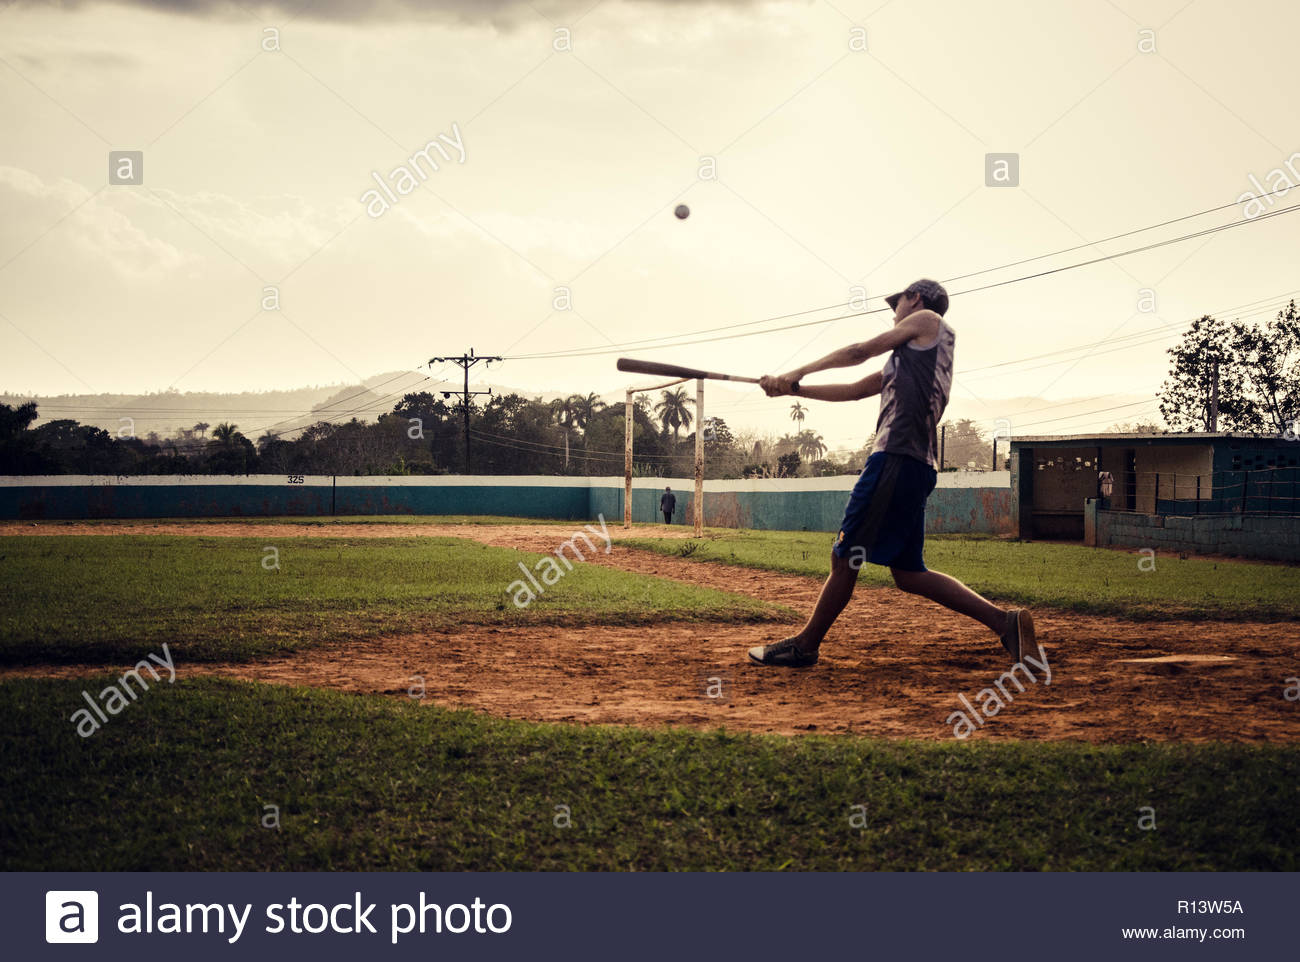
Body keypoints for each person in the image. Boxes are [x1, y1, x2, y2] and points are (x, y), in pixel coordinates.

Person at [747, 279, 1036, 668]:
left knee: (846, 557)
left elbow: (859, 351)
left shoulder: (928, 320)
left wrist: (794, 370)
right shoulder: (915, 359)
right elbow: (852, 389)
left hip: (895, 460)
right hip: (914, 466)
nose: (894, 311)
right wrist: (793, 389)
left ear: (915, 298)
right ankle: (1005, 622)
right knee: (908, 573)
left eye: (897, 303)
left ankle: (806, 645)